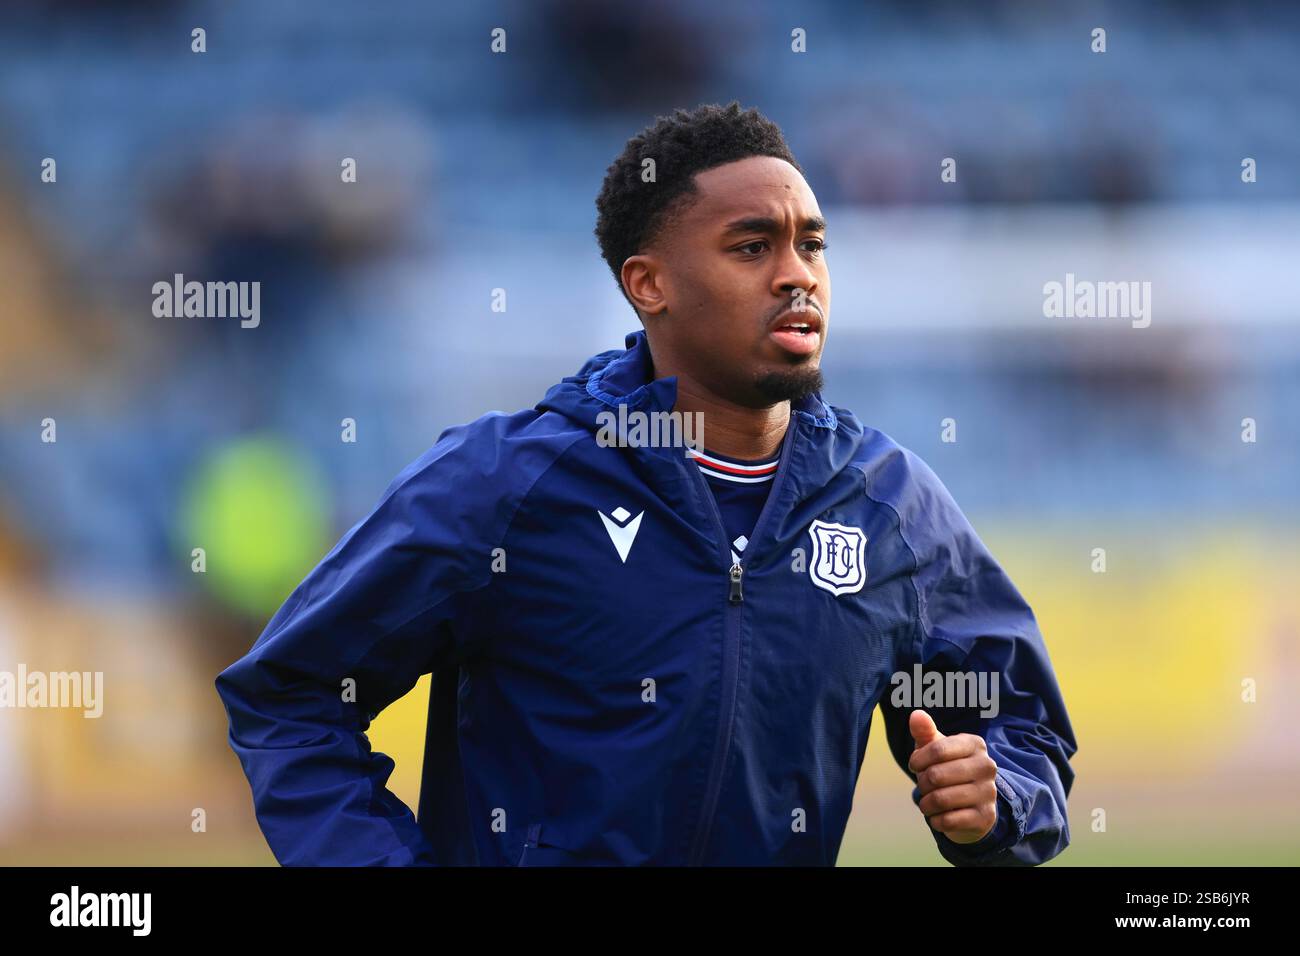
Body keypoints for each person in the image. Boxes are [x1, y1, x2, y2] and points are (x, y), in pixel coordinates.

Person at [215, 101, 1076, 866]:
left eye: (811, 243)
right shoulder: (508, 482)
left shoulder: (891, 506)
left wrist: (997, 801)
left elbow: (1020, 723)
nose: (797, 274)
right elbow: (289, 697)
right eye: (752, 246)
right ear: (649, 283)